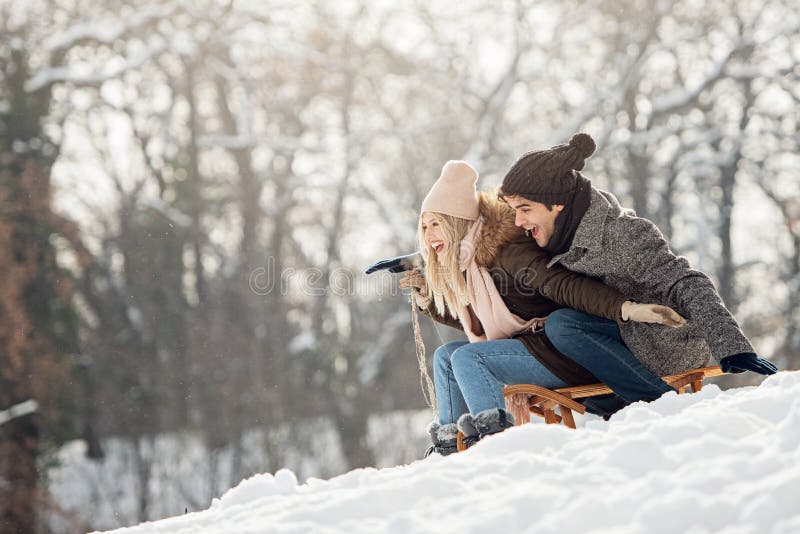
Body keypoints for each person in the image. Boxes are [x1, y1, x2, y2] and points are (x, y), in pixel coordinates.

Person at [369, 160, 686, 456]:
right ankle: (451, 448)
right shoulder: (470, 261)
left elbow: (561, 285)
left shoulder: (508, 252)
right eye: (424, 228)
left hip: (562, 351)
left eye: (435, 224)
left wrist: (626, 308)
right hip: (532, 349)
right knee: (446, 357)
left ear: (456, 223)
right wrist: (427, 297)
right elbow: (480, 322)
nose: (428, 236)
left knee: (467, 357)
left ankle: (495, 443)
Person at [497, 132, 778, 402]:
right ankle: (618, 411)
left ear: (556, 204)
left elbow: (687, 282)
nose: (519, 221)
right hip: (610, 344)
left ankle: (661, 404)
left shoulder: (623, 234)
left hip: (661, 343)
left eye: (525, 209)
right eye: (515, 211)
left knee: (563, 325)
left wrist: (731, 346)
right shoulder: (550, 238)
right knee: (557, 328)